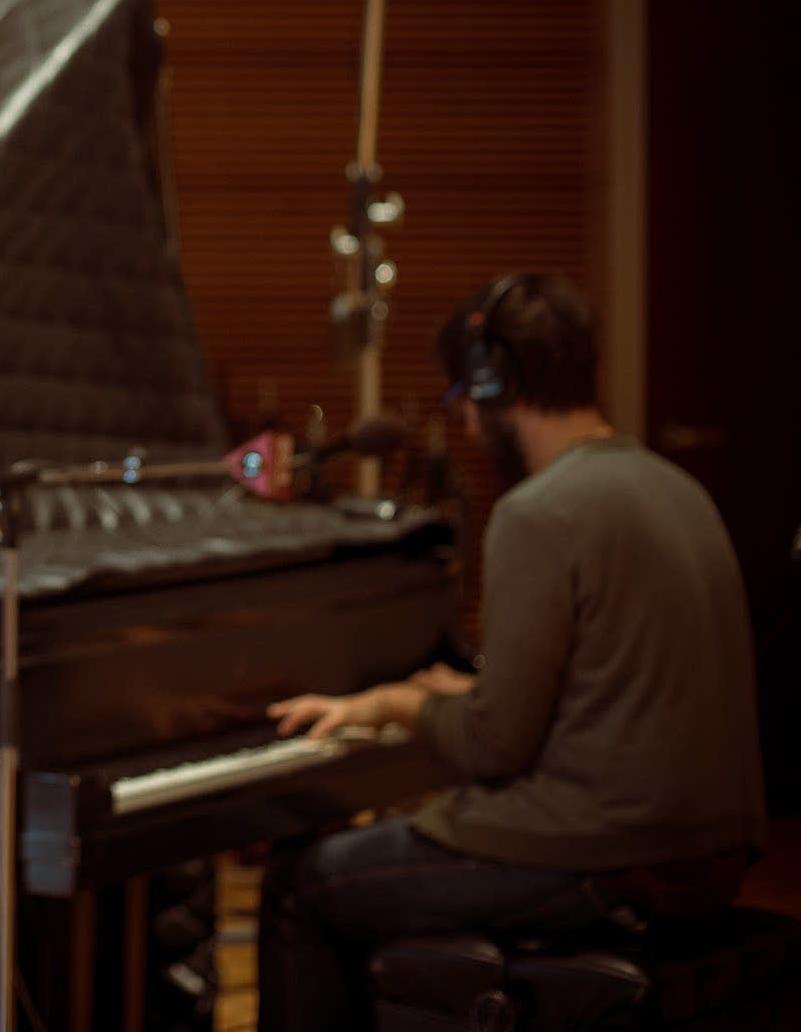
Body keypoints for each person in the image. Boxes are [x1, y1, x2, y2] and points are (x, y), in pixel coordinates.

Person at [255, 272, 765, 1030]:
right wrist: (458, 698)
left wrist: (400, 703)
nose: (465, 429)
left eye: (465, 400)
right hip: (710, 850)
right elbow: (609, 692)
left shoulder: (540, 512)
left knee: (305, 884)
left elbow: (497, 745)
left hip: (604, 852)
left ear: (496, 384)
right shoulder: (675, 486)